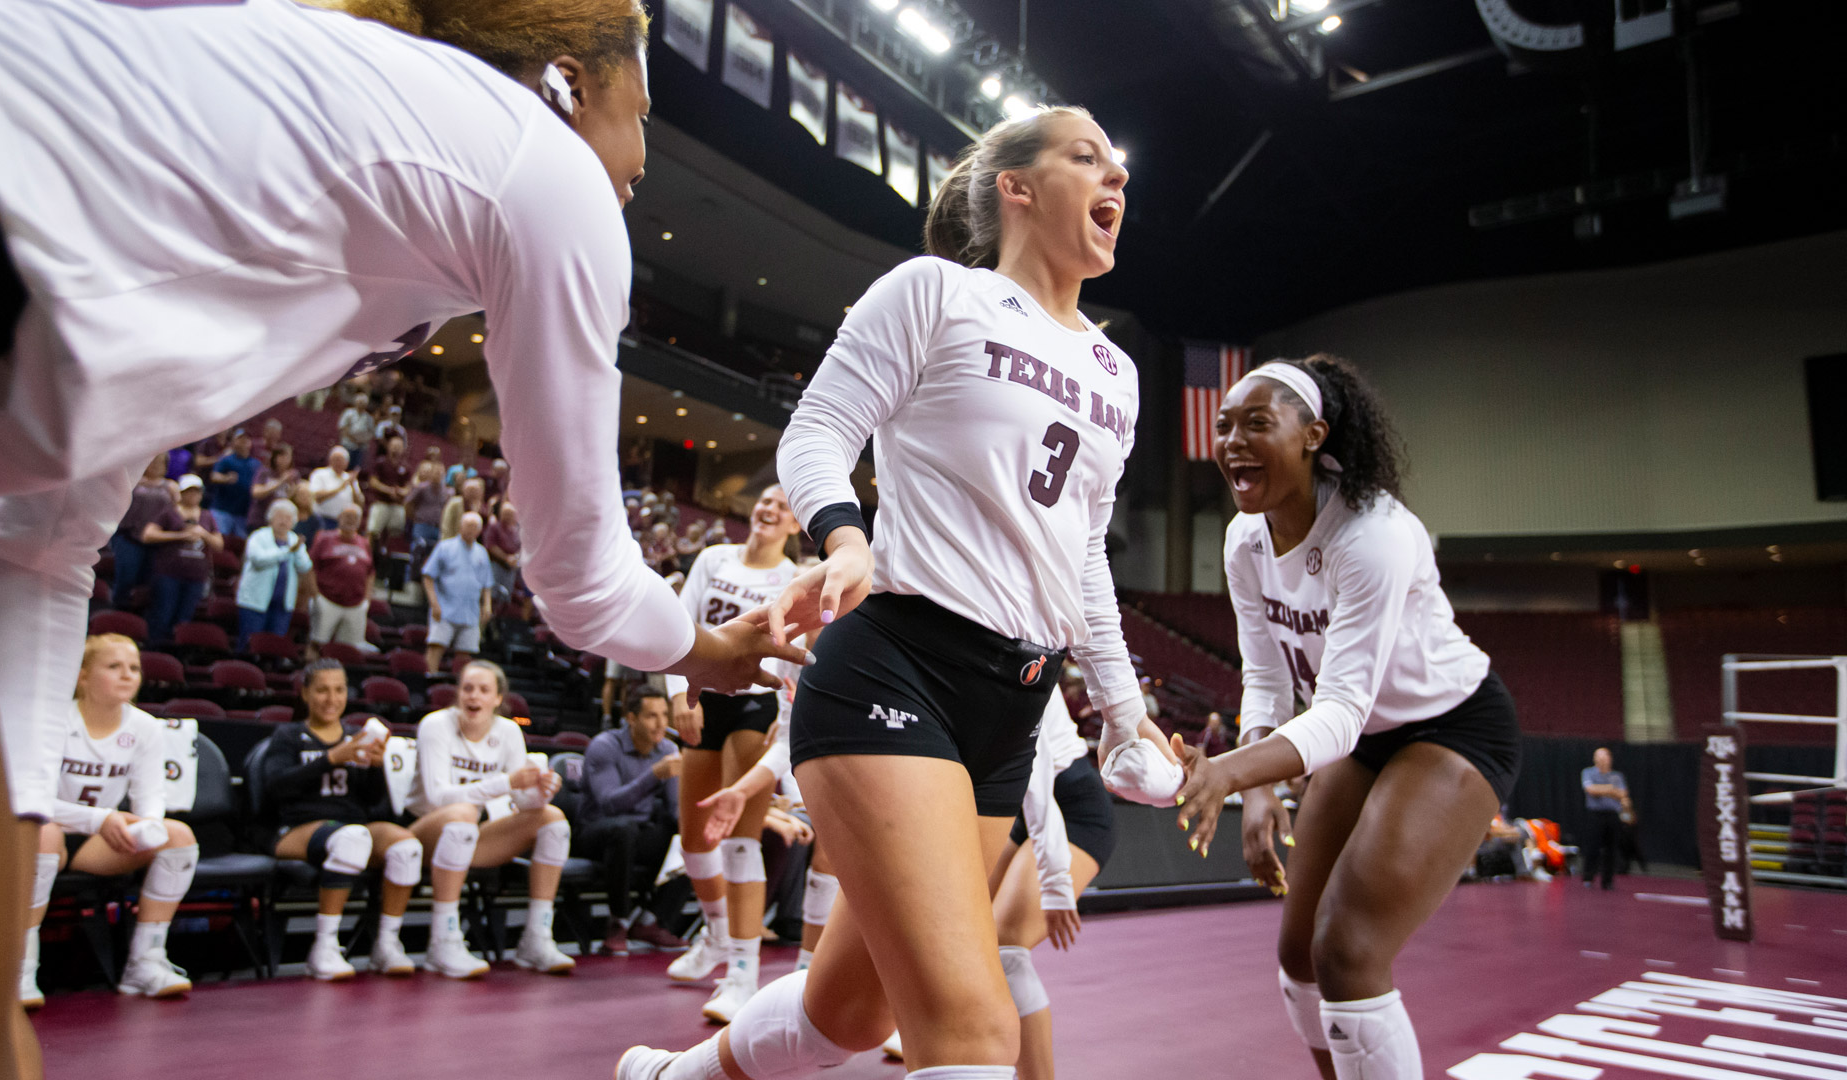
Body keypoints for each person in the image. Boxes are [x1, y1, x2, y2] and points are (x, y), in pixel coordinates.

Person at [0, 1, 804, 1069]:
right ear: (569, 81)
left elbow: (43, 540)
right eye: (643, 113)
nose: (644, 158)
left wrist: (4, 816)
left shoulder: (354, 179)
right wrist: (707, 649)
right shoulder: (542, 164)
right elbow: (580, 577)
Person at [619, 106, 1183, 1080]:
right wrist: (843, 540)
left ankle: (681, 1076)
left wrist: (1126, 714)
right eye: (1087, 158)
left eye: (1121, 168)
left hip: (1015, 702)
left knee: (852, 1002)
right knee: (970, 1027)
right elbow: (816, 434)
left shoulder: (1116, 373)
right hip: (900, 664)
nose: (1116, 181)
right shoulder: (936, 293)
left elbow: (1085, 554)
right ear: (1017, 187)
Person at [1165, 355, 1519, 1080]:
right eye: (1225, 426)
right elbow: (1265, 678)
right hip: (1359, 736)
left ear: (1313, 435)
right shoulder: (1244, 538)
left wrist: (1229, 773)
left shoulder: (1373, 535)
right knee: (1299, 957)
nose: (1231, 440)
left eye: (1257, 423)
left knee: (1350, 952)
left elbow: (1340, 714)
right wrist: (1258, 789)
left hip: (1451, 727)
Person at [881, 686, 1113, 1077]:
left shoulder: (1016, 648)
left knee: (1007, 948)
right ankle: (938, 1034)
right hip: (1015, 809)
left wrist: (1055, 879)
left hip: (1068, 808)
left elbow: (1034, 775)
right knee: (951, 930)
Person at [660, 485, 800, 1023]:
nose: (769, 510)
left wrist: (784, 723)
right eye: (766, 500)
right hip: (702, 696)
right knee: (695, 838)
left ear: (794, 525)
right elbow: (678, 624)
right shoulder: (713, 558)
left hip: (756, 703)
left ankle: (743, 972)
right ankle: (717, 936)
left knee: (740, 837)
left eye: (783, 507)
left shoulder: (792, 578)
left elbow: (790, 650)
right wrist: (679, 696)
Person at [23, 635, 201, 1007]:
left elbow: (151, 798)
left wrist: (148, 826)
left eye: (134, 668)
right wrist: (100, 817)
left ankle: (145, 962)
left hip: (97, 844)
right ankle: (21, 970)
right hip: (46, 832)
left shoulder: (146, 727)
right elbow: (33, 799)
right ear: (83, 676)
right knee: (43, 833)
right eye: (114, 667)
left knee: (178, 836)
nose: (127, 675)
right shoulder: (53, 720)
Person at [407, 660, 576, 978]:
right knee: (462, 813)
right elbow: (436, 796)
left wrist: (542, 791)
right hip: (423, 835)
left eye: (484, 690)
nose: (474, 696)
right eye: (467, 688)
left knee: (553, 819)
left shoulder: (509, 731)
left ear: (498, 698)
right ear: (457, 694)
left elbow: (524, 801)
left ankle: (536, 938)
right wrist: (506, 782)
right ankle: (442, 941)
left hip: (471, 835)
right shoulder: (436, 725)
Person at [263, 660, 422, 979]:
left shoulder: (357, 737)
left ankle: (386, 945)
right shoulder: (289, 735)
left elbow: (373, 801)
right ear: (305, 693)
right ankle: (324, 947)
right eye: (322, 690)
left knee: (407, 848)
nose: (331, 698)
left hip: (353, 825)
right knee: (352, 838)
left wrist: (376, 767)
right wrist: (331, 759)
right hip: (297, 828)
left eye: (338, 690)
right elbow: (275, 787)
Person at [578, 686, 691, 955]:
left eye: (665, 715)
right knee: (623, 830)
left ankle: (652, 920)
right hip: (595, 832)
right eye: (652, 716)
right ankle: (618, 922)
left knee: (694, 833)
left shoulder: (668, 749)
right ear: (631, 718)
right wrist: (654, 775)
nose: (662, 723)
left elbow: (676, 811)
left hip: (639, 831)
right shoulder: (604, 746)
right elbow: (609, 804)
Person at [142, 476, 223, 646]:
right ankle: (154, 651)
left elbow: (219, 544)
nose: (193, 495)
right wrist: (181, 535)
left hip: (195, 577)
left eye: (196, 491)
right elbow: (148, 535)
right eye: (189, 491)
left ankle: (174, 655)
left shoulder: (207, 516)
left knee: (184, 620)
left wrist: (204, 534)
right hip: (168, 573)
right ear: (182, 493)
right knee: (163, 614)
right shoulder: (169, 512)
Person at [237, 500, 313, 652]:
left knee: (275, 646)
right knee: (249, 644)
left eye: (288, 518)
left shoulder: (295, 541)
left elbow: (305, 566)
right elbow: (258, 560)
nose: (284, 521)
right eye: (280, 517)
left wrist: (296, 550)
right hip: (254, 601)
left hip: (282, 604)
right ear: (270, 518)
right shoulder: (258, 536)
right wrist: (287, 551)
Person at [423, 511, 494, 673]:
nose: (471, 530)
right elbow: (428, 576)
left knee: (465, 655)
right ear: (460, 526)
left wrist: (487, 605)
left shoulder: (482, 552)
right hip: (444, 608)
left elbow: (486, 584)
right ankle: (429, 682)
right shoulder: (445, 547)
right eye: (468, 526)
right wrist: (434, 603)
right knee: (436, 647)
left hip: (470, 611)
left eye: (474, 527)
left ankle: (460, 688)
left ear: (479, 530)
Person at [109, 454, 176, 609]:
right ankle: (117, 610)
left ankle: (138, 616)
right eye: (152, 462)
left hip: (156, 541)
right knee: (126, 576)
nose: (155, 466)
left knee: (148, 580)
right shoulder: (133, 481)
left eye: (159, 462)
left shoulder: (170, 486)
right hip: (129, 536)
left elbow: (177, 511)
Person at [309, 506, 375, 660]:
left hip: (355, 604)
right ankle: (310, 675)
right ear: (339, 518)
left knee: (348, 649)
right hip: (327, 599)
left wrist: (367, 599)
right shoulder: (324, 538)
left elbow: (371, 573)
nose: (350, 520)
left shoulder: (364, 543)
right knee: (317, 643)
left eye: (354, 518)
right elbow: (310, 568)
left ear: (360, 522)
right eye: (347, 517)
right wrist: (315, 594)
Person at [1580, 747, 1628, 890]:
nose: (1600, 760)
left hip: (1612, 815)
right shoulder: (1588, 772)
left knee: (1611, 849)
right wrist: (1611, 790)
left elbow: (1623, 794)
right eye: (1597, 757)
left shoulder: (1617, 776)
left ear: (1609, 759)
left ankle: (1608, 880)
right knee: (1593, 846)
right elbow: (1591, 790)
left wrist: (1604, 790)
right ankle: (1588, 876)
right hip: (1595, 815)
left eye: (1603, 757)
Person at [208, 429, 261, 538]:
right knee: (219, 539)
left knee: (240, 543)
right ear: (233, 442)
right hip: (222, 510)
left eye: (247, 439)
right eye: (240, 439)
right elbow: (214, 476)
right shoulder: (226, 459)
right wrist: (226, 478)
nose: (244, 442)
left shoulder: (255, 464)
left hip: (242, 513)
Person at [364, 433, 413, 547]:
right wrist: (388, 490)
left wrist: (401, 492)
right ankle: (368, 552)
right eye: (394, 445)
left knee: (395, 529)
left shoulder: (405, 467)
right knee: (373, 529)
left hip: (396, 504)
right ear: (388, 447)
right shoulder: (380, 462)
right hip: (380, 501)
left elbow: (408, 487)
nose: (396, 448)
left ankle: (386, 553)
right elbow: (373, 482)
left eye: (399, 446)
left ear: (403, 449)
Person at [309, 446, 365, 531]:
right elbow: (316, 496)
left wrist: (353, 486)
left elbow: (359, 503)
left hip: (342, 523)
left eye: (341, 460)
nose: (338, 463)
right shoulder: (319, 474)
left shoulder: (349, 478)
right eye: (335, 459)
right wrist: (339, 488)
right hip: (322, 519)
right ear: (330, 460)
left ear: (347, 462)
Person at [249, 444, 303, 530]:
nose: (284, 460)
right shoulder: (265, 472)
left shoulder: (294, 475)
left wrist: (292, 489)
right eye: (281, 456)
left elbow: (294, 498)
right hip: (260, 518)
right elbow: (256, 492)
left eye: (287, 457)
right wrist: (280, 481)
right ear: (275, 457)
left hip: (280, 522)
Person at [483, 502, 523, 605]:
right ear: (501, 513)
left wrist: (515, 557)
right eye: (506, 513)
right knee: (494, 594)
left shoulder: (517, 529)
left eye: (511, 514)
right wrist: (506, 557)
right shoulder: (494, 526)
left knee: (505, 596)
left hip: (511, 567)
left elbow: (521, 546)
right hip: (496, 565)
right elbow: (491, 546)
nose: (508, 516)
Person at [338, 392, 377, 468]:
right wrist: (353, 439)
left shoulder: (369, 418)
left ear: (366, 405)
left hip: (361, 447)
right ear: (355, 402)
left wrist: (361, 440)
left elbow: (371, 432)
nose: (361, 404)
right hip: (348, 444)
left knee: (356, 468)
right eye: (359, 402)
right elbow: (343, 428)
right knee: (344, 466)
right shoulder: (348, 413)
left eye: (363, 403)